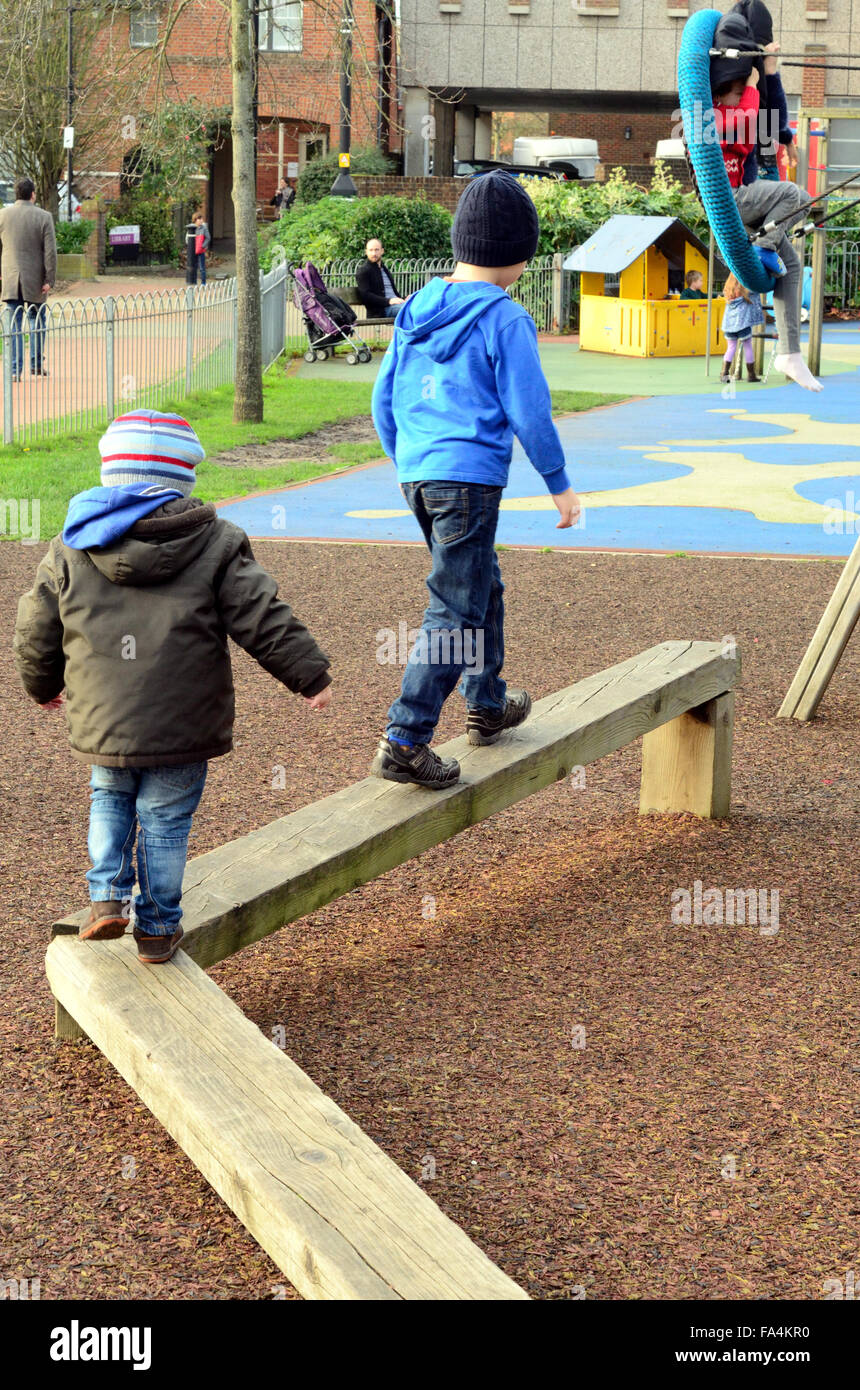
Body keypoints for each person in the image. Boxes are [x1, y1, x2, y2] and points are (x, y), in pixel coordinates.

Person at [13, 409, 332, 964]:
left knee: (110, 796)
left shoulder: (71, 543)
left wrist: (42, 685)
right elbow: (261, 614)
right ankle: (158, 928)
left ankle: (106, 899)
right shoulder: (216, 541)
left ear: (110, 472)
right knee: (165, 819)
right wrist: (309, 676)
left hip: (103, 716)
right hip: (184, 718)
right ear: (183, 479)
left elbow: (37, 624)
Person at [369, 170, 580, 790]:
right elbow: (530, 410)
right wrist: (559, 482)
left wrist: (408, 460)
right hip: (468, 482)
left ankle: (487, 703)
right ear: (519, 256)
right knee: (456, 610)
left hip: (420, 476)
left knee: (481, 588)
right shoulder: (506, 318)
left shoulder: (415, 310)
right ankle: (406, 738)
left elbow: (384, 400)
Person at [711, 31, 820, 391]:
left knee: (790, 270)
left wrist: (769, 72)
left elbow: (769, 119)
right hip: (734, 200)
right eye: (740, 91)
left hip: (753, 202)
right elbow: (745, 115)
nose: (746, 97)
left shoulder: (740, 113)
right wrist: (755, 83)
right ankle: (766, 243)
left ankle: (790, 352)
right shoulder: (710, 112)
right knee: (798, 196)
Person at [0, 176, 56, 381]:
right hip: (35, 279)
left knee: (14, 324)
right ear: (33, 194)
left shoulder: (2, 215)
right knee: (36, 321)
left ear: (16, 194)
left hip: (10, 278)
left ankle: (15, 370)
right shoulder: (44, 217)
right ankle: (36, 364)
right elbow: (50, 252)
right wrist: (50, 278)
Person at [719, 273, 764, 383]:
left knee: (731, 348)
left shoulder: (728, 289)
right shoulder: (746, 289)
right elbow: (758, 290)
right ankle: (751, 374)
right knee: (748, 346)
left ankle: (724, 374)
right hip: (743, 323)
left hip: (729, 324)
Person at [357, 239, 405, 318]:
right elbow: (366, 296)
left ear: (382, 251)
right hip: (381, 310)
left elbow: (393, 294)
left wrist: (404, 299)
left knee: (419, 305)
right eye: (371, 250)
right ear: (366, 252)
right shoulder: (363, 271)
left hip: (396, 305)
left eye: (376, 250)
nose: (374, 253)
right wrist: (389, 301)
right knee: (409, 309)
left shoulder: (384, 269)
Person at [191, 210, 211, 286]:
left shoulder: (204, 228)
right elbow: (187, 239)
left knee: (202, 267)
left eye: (202, 219)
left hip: (201, 251)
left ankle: (203, 282)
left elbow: (208, 238)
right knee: (194, 266)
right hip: (193, 251)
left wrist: (202, 246)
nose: (201, 220)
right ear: (195, 220)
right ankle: (194, 282)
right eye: (200, 219)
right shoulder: (192, 228)